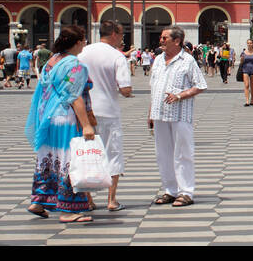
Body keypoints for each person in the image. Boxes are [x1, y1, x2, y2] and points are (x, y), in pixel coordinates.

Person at [25, 25, 95, 224]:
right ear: (77, 42)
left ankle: (39, 201)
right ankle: (68, 209)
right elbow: (75, 97)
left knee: (48, 157)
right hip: (66, 117)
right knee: (68, 160)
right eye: (83, 40)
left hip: (48, 117)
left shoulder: (52, 60)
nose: (84, 44)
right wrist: (87, 125)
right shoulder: (75, 65)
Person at [79, 20, 134, 212]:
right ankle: (111, 200)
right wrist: (128, 92)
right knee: (113, 153)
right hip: (108, 111)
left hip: (84, 111)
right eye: (121, 35)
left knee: (86, 154)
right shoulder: (117, 56)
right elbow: (125, 88)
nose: (122, 38)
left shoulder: (83, 52)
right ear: (113, 34)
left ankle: (88, 200)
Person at [148, 27, 207, 207]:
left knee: (182, 153)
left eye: (165, 38)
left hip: (180, 114)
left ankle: (186, 191)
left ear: (177, 41)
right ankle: (170, 190)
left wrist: (180, 95)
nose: (161, 40)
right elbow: (154, 87)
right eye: (161, 37)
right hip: (159, 114)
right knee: (163, 154)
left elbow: (200, 85)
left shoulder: (187, 60)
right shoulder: (158, 60)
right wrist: (150, 112)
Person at [240, 39, 253, 105]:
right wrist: (242, 59)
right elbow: (241, 62)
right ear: (247, 44)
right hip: (245, 70)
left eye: (251, 43)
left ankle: (252, 99)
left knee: (252, 85)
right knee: (246, 85)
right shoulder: (243, 52)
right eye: (248, 43)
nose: (249, 44)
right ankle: (247, 100)